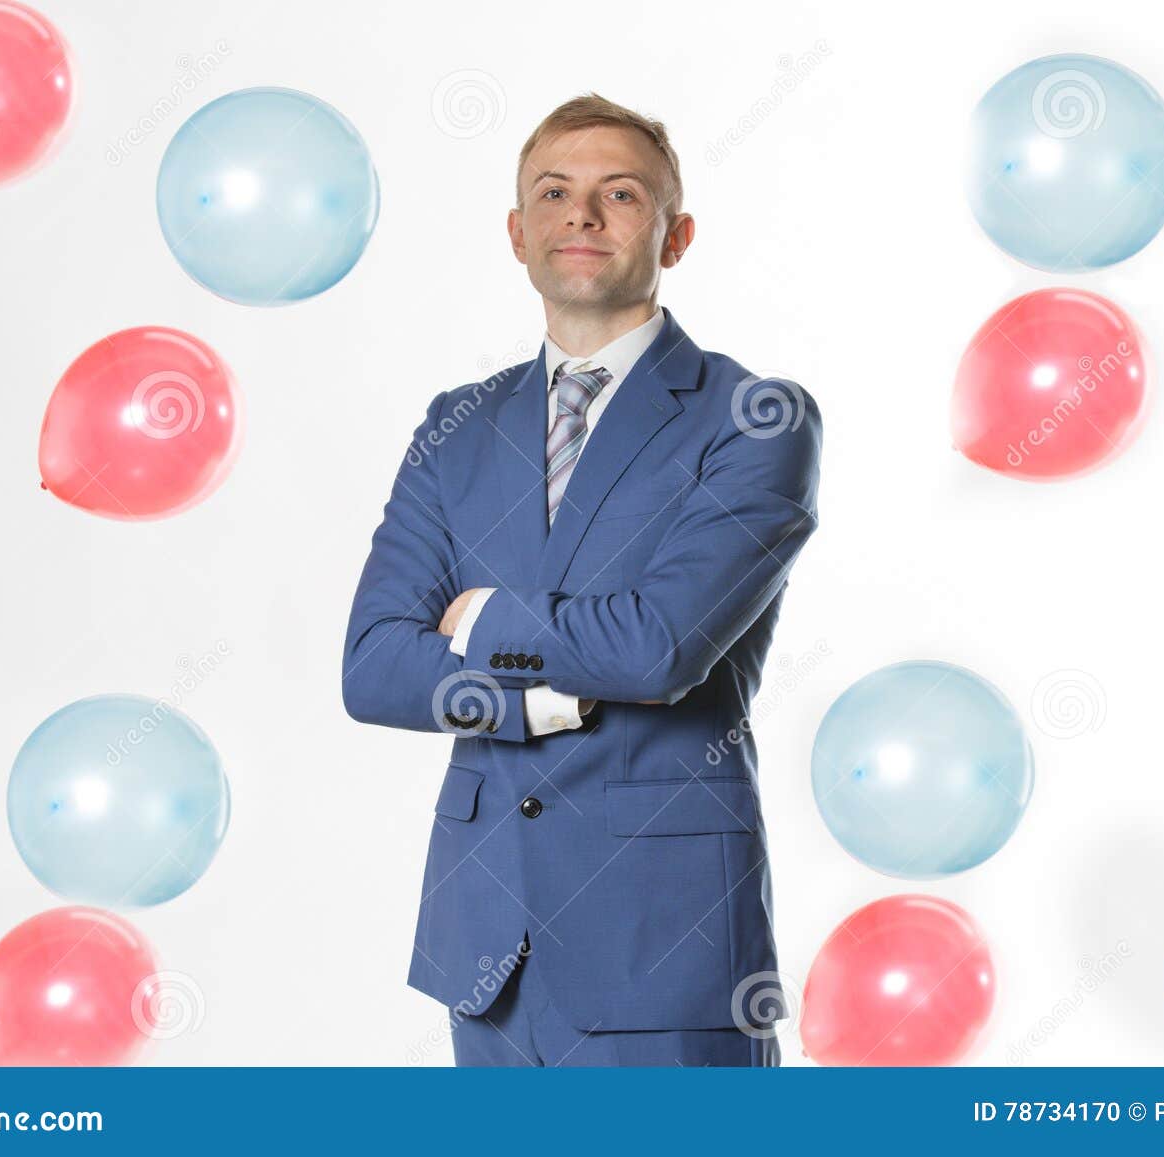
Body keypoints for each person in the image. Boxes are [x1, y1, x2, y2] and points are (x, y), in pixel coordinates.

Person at [342, 93, 822, 1066]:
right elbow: (374, 665)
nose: (582, 215)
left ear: (675, 235)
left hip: (663, 947)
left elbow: (659, 646)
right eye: (554, 192)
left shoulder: (753, 417)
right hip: (484, 944)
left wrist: (476, 617)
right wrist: (537, 706)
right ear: (518, 233)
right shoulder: (457, 426)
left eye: (620, 194)